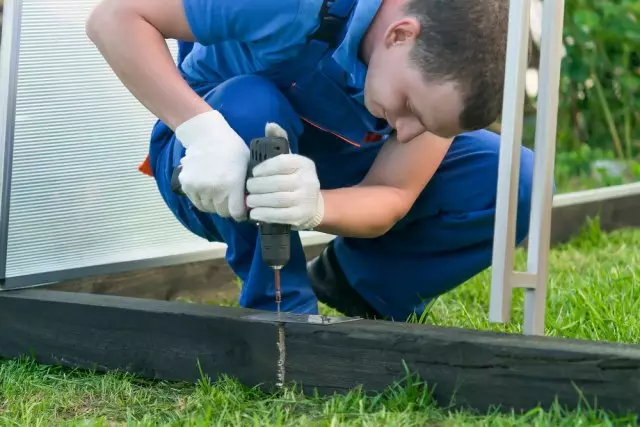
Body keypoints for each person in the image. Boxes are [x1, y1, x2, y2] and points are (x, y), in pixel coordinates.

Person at [86, 0, 534, 321]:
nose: (408, 133)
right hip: (207, 162)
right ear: (400, 35)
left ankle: (359, 289)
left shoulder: (427, 92)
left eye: (429, 127)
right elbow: (115, 18)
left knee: (516, 178)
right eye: (412, 108)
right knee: (254, 107)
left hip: (331, 161)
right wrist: (201, 131)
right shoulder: (293, 4)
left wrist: (315, 206)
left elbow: (393, 192)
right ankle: (280, 312)